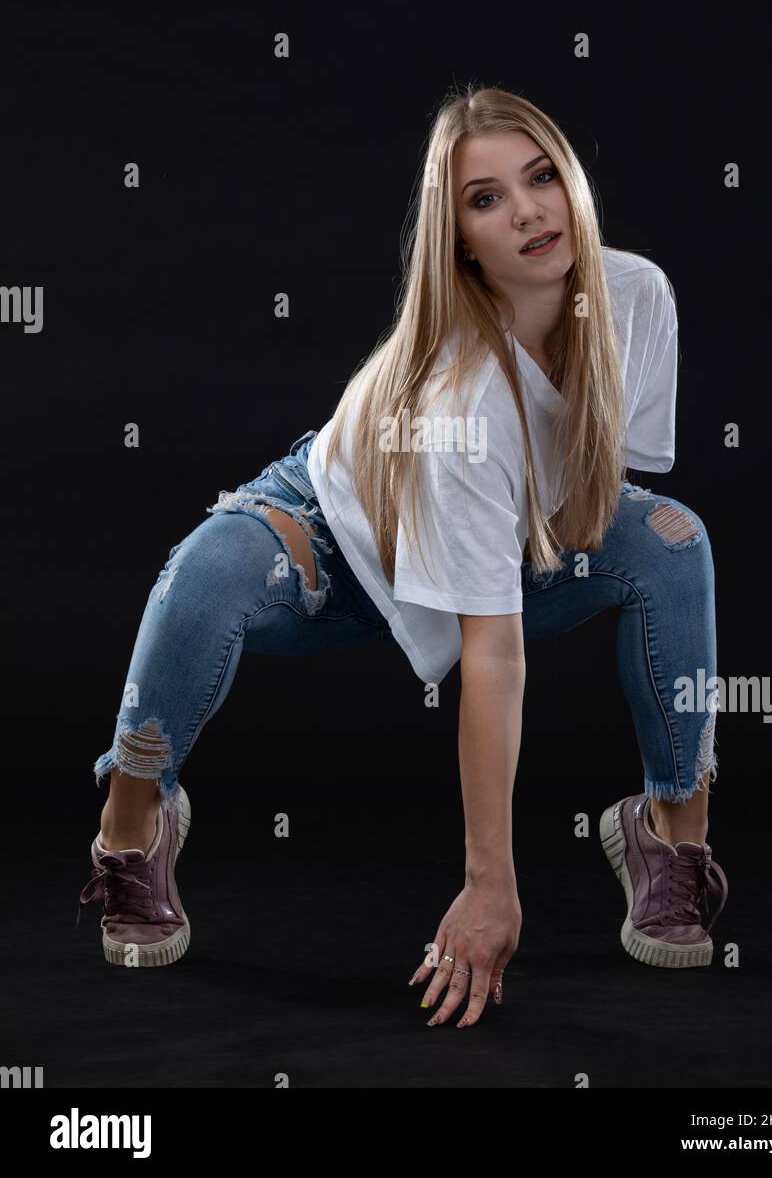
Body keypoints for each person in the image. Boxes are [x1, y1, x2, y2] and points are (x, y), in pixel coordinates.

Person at [77, 84, 727, 1025]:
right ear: (459, 237)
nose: (530, 211)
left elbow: (589, 480)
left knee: (674, 542)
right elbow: (493, 656)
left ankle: (672, 831)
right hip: (333, 537)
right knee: (202, 579)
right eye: (486, 197)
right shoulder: (460, 400)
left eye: (541, 176)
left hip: (491, 528)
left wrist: (507, 547)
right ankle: (131, 827)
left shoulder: (636, 296)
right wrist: (489, 885)